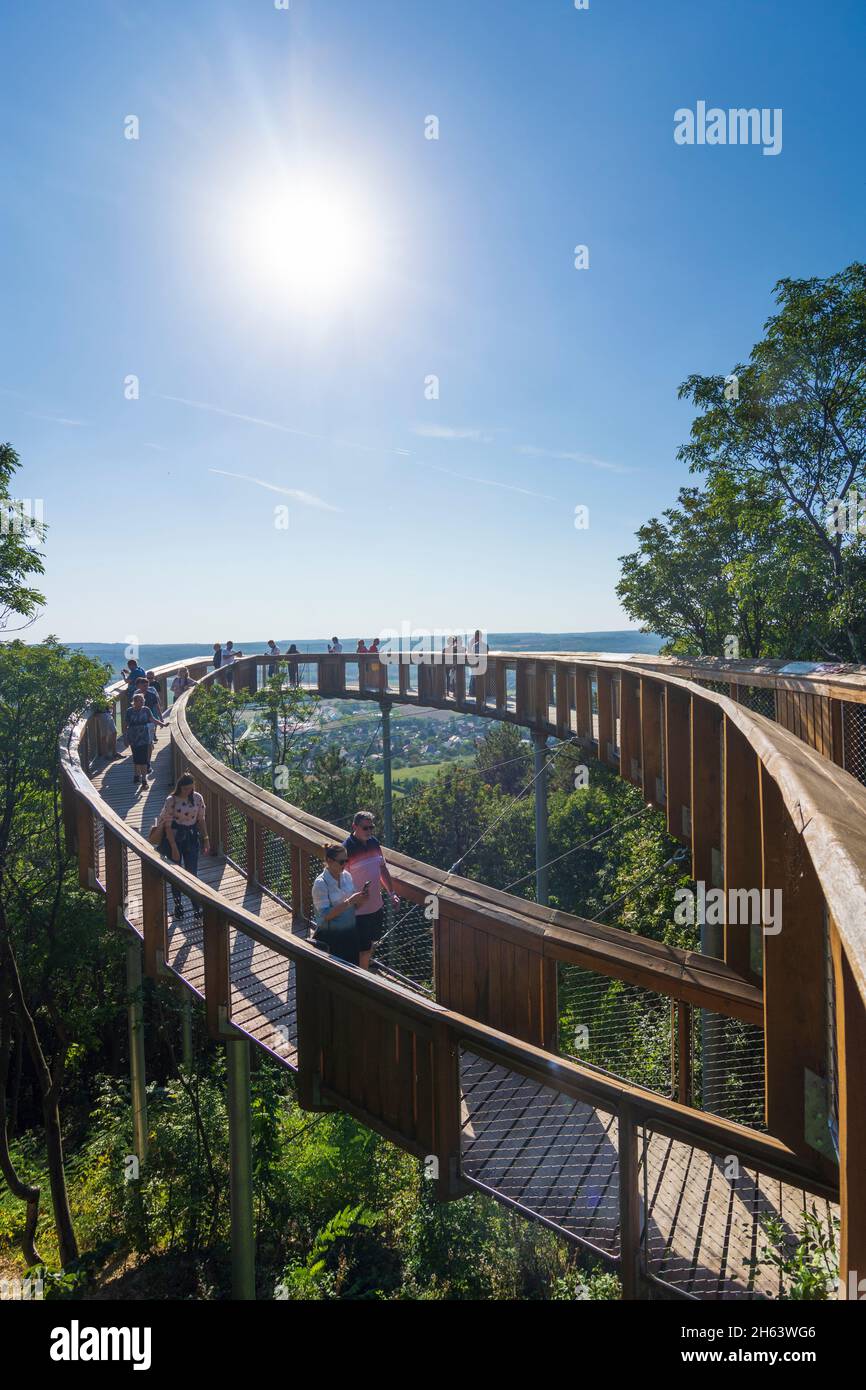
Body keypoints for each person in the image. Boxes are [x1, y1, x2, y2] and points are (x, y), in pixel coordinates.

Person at [343, 811, 400, 970]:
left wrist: (392, 893)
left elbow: (382, 869)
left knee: (370, 944)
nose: (369, 831)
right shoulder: (346, 849)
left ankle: (362, 971)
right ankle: (363, 979)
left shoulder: (374, 843)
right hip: (358, 911)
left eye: (371, 827)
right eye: (365, 828)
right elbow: (341, 881)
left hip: (376, 906)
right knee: (363, 949)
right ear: (354, 826)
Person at [156, 772, 210, 919]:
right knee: (176, 874)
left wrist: (206, 839)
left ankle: (196, 907)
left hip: (191, 837)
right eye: (186, 789)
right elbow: (167, 825)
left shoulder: (197, 798)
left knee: (192, 873)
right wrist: (173, 847)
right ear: (180, 787)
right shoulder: (171, 800)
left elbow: (201, 819)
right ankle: (178, 906)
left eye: (191, 788)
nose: (188, 791)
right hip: (175, 838)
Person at [311, 845, 369, 966]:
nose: (345, 864)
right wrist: (350, 901)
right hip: (331, 938)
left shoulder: (347, 876)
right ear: (329, 861)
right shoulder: (321, 884)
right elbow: (325, 915)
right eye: (342, 861)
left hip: (350, 934)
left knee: (352, 971)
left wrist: (361, 900)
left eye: (346, 860)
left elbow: (353, 907)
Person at [125, 693, 164, 785]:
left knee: (143, 758)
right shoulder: (129, 711)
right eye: (139, 701)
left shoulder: (146, 710)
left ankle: (143, 779)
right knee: (136, 756)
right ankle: (136, 775)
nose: (141, 702)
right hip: (133, 737)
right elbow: (125, 725)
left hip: (144, 736)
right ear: (134, 702)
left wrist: (162, 724)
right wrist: (125, 738)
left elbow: (152, 719)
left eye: (142, 701)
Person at [135, 676, 164, 771]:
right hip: (138, 724)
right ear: (139, 686)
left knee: (149, 743)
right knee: (140, 744)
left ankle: (148, 763)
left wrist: (161, 718)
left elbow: (157, 706)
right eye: (143, 686)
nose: (145, 688)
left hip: (150, 722)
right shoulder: (136, 695)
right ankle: (141, 763)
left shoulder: (152, 695)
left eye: (147, 686)